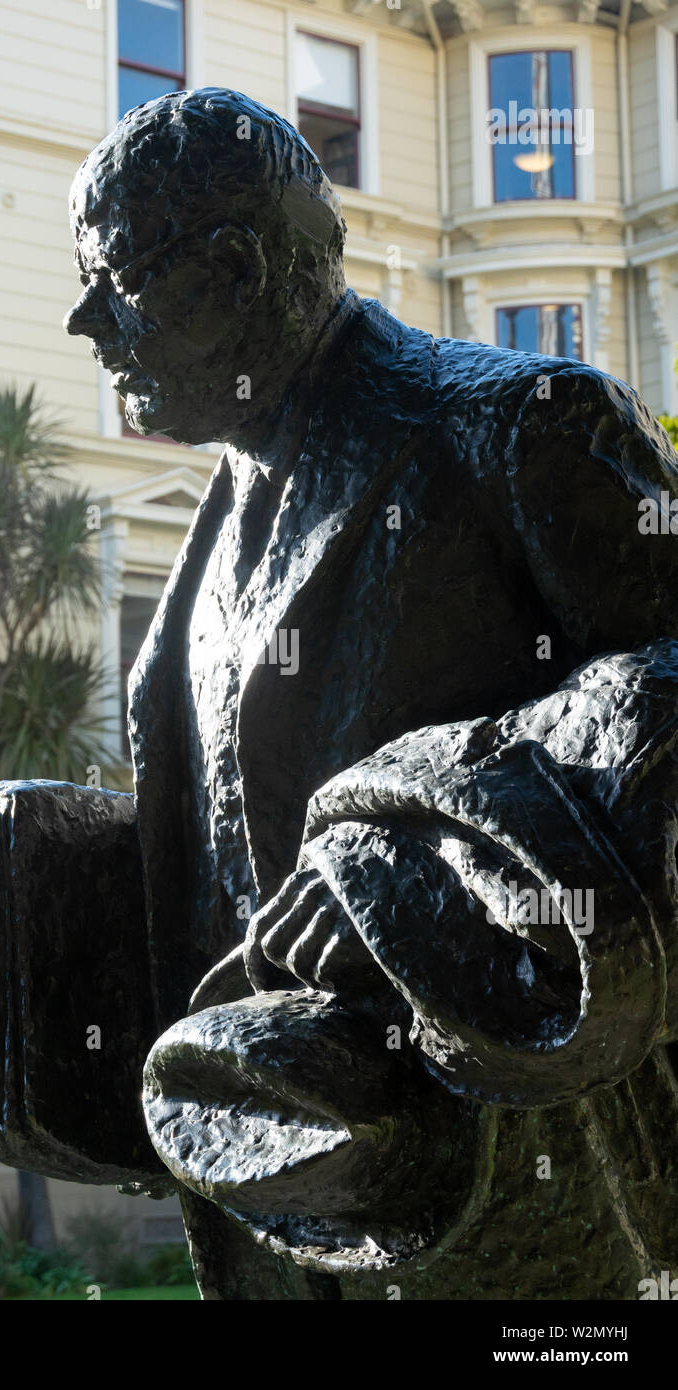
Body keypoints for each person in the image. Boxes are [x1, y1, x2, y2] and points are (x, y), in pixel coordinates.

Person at [55, 85, 678, 1299]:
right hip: (290, 1214)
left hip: (533, 1214)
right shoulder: (198, 555)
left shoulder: (519, 423)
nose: (85, 322)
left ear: (234, 271)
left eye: (115, 275)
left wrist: (408, 868)